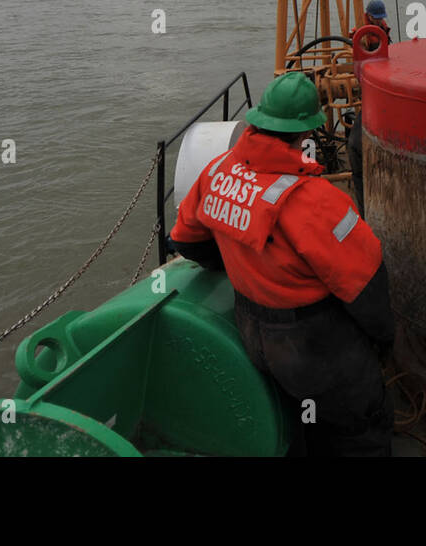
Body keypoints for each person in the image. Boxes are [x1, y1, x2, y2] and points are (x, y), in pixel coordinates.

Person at [169, 71, 395, 456]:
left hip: (253, 334)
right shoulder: (317, 201)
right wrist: (385, 342)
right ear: (305, 134)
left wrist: (247, 263)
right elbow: (366, 288)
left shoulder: (217, 172)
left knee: (297, 419)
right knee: (362, 424)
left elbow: (186, 240)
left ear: (257, 123)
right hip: (312, 346)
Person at [348, 0, 391, 211]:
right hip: (369, 81)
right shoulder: (361, 33)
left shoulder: (381, 29)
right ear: (369, 15)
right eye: (378, 17)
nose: (381, 20)